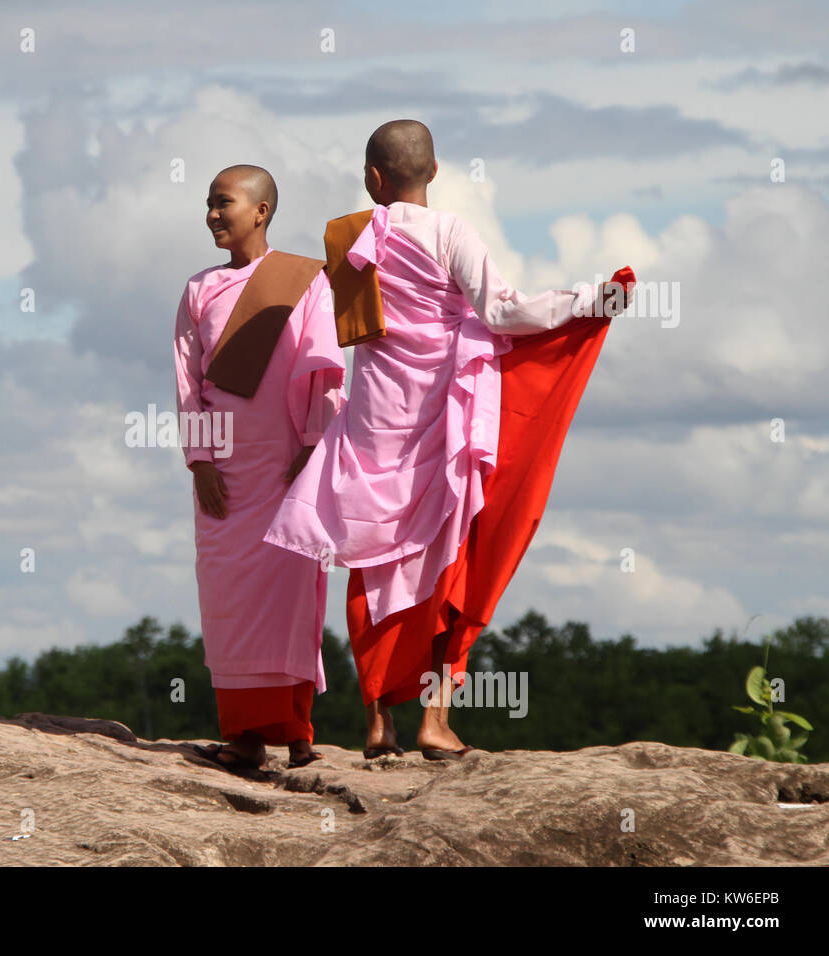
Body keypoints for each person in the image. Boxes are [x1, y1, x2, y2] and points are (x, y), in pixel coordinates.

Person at [264, 121, 632, 760]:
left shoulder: (350, 239)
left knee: (371, 563)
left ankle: (378, 721)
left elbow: (334, 336)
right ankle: (435, 719)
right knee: (447, 565)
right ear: (433, 173)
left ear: (372, 180)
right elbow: (502, 313)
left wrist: (310, 431)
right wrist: (586, 301)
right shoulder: (453, 232)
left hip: (374, 427)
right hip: (448, 422)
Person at [175, 164, 346, 771]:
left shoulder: (305, 282)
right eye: (208, 204)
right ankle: (244, 734)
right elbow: (188, 382)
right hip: (223, 470)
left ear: (261, 210)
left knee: (292, 591)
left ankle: (297, 731)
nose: (213, 214)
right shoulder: (199, 290)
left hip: (285, 464)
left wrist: (310, 446)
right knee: (227, 599)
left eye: (223, 202)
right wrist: (200, 462)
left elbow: (323, 368)